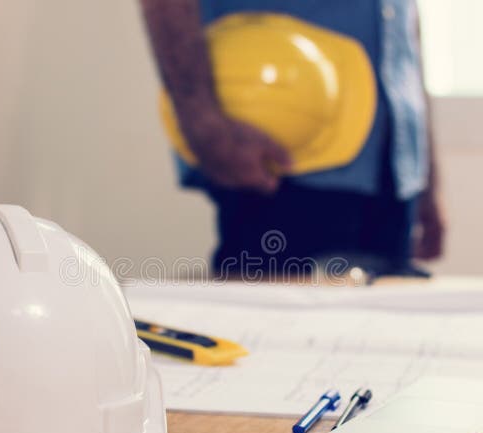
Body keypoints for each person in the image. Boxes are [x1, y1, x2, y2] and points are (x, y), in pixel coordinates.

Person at [140, 0, 445, 279]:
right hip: (278, 155)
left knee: (377, 331)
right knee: (269, 330)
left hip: (394, 164)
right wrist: (203, 123)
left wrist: (427, 174)